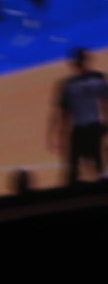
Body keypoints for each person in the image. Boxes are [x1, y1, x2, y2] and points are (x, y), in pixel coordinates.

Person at [52, 50, 108, 185]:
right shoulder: (99, 78)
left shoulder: (68, 84)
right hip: (96, 127)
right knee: (99, 167)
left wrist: (61, 137)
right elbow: (106, 103)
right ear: (87, 60)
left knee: (72, 173)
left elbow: (64, 115)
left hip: (79, 130)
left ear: (74, 63)